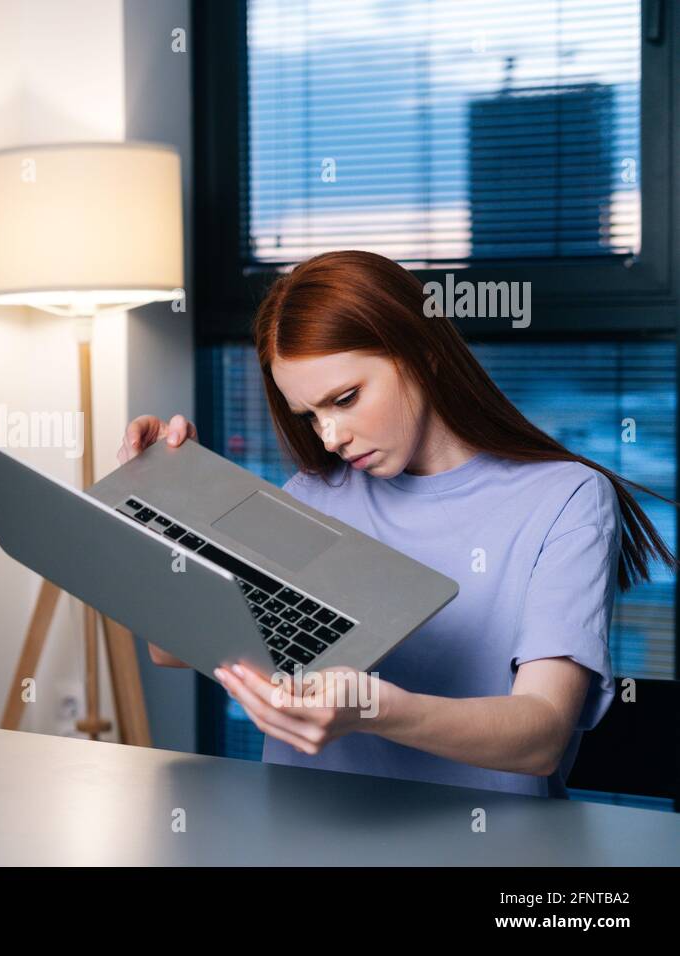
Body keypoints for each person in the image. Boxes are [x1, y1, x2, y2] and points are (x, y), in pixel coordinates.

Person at [119, 249, 677, 798]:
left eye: (345, 398)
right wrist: (164, 505)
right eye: (310, 416)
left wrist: (374, 709)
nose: (330, 437)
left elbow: (542, 734)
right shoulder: (312, 495)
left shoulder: (565, 498)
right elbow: (171, 650)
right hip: (302, 837)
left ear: (421, 352)